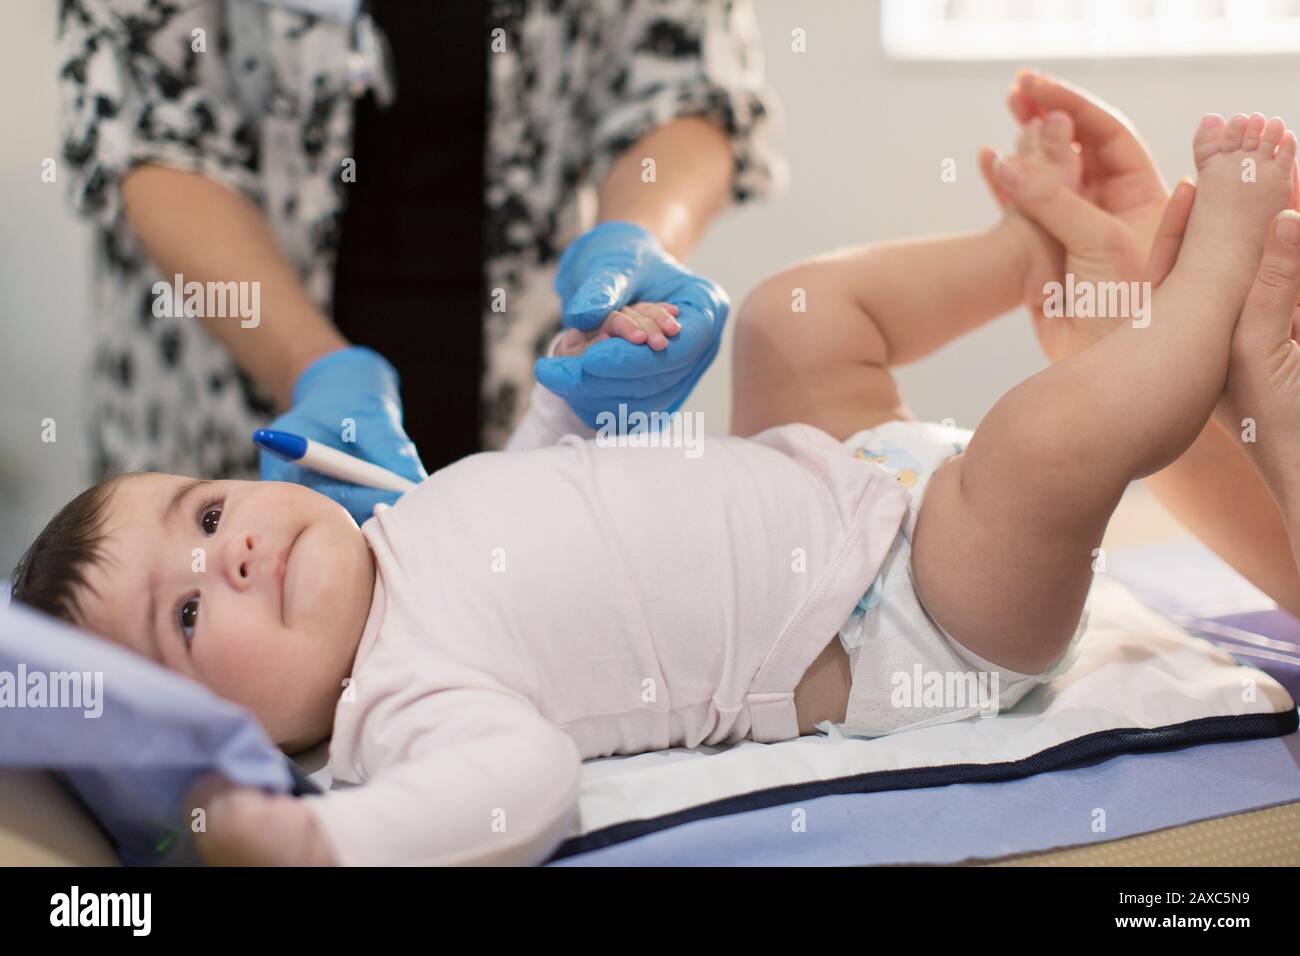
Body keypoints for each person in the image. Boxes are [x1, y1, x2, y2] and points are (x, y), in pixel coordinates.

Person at [13, 97, 1299, 865]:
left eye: (209, 510)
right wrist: (328, 845)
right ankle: (1199, 301)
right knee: (1033, 446)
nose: (226, 555)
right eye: (186, 617)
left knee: (791, 315)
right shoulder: (393, 711)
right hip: (915, 619)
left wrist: (579, 388)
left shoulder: (394, 528)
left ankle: (1021, 248)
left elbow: (530, 489)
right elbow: (514, 786)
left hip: (849, 485)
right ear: (233, 734)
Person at [56, 0, 783, 521]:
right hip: (217, 394)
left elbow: (690, 82)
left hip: (512, 418)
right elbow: (142, 120)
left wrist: (637, 240)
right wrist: (310, 366)